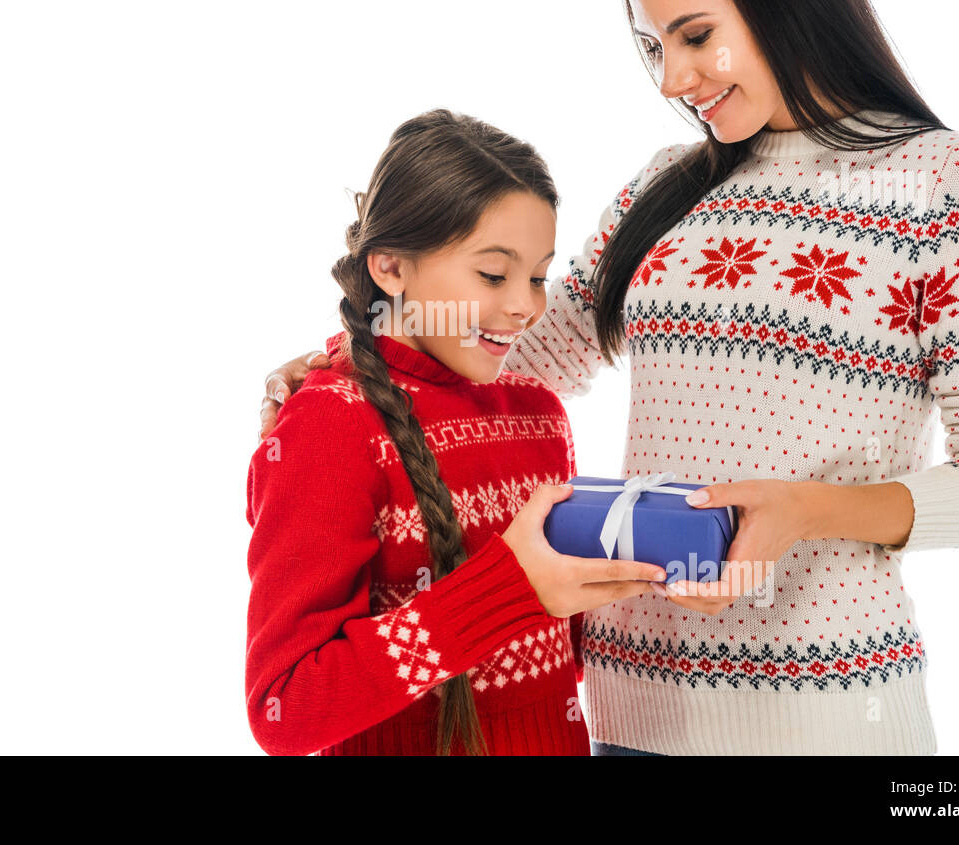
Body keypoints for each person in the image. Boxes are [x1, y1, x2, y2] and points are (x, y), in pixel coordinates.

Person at [257, 0, 959, 755]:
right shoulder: (662, 189)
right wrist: (355, 360)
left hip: (828, 713)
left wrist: (806, 511)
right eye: (653, 47)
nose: (675, 80)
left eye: (696, 35)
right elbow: (519, 349)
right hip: (628, 708)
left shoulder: (946, 185)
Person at [245, 109, 669, 756]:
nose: (526, 306)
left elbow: (556, 647)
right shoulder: (329, 422)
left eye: (538, 276)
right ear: (390, 268)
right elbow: (286, 705)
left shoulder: (538, 413)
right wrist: (507, 587)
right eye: (494, 275)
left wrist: (659, 581)